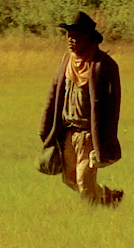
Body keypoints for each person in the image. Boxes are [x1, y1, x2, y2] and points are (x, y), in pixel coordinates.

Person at [39, 12, 124, 206]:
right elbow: (52, 95)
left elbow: (113, 108)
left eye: (75, 36)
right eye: (68, 36)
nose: (70, 40)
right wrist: (45, 127)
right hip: (68, 132)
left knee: (84, 183)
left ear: (89, 38)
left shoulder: (104, 65)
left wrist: (103, 140)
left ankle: (93, 222)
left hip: (89, 135)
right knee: (69, 179)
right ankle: (109, 198)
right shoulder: (66, 61)